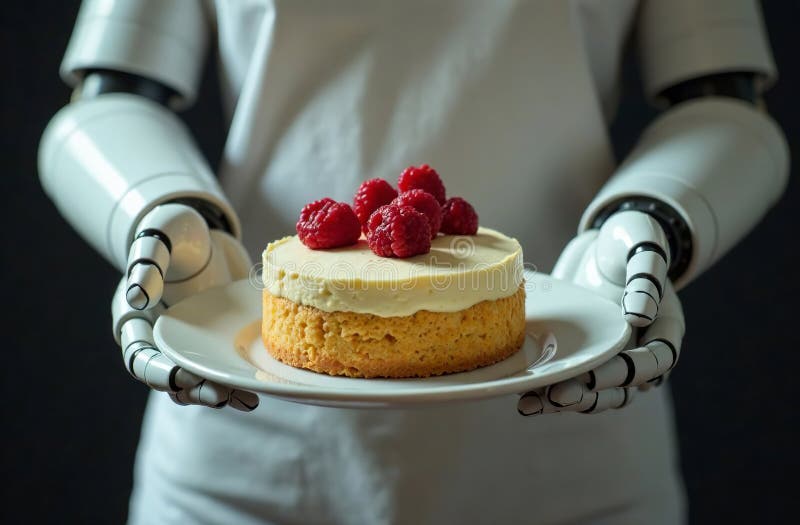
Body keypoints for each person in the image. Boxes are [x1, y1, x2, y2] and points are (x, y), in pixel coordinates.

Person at [39, 1, 788, 523]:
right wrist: (165, 215)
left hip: (570, 438)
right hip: (245, 450)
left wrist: (652, 219)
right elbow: (110, 92)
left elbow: (723, 99)